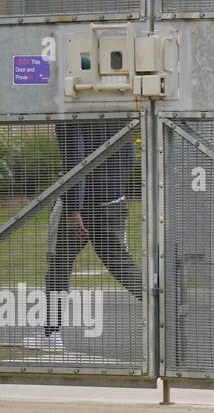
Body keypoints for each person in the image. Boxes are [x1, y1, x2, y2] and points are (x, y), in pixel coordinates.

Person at [22, 120, 143, 352]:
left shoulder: (71, 113)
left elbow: (74, 160)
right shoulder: (122, 107)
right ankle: (164, 311)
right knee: (121, 264)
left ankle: (51, 334)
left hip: (82, 203)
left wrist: (73, 207)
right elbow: (128, 154)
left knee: (59, 265)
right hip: (113, 198)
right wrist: (115, 190)